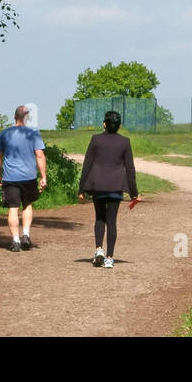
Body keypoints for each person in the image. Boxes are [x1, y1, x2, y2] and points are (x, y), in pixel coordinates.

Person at [78, 110, 140, 268]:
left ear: (104, 124)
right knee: (111, 222)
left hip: (97, 185)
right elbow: (130, 168)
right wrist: (134, 192)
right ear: (119, 126)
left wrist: (81, 188)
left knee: (100, 218)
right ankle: (110, 258)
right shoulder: (125, 142)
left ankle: (99, 249)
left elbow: (87, 164)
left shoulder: (96, 139)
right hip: (116, 186)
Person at [0, 105, 47, 252]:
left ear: (14, 117)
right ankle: (26, 234)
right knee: (27, 204)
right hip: (29, 176)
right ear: (27, 118)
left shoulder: (4, 134)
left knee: (12, 208)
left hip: (10, 177)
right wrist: (43, 176)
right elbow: (40, 155)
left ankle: (15, 241)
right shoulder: (33, 134)